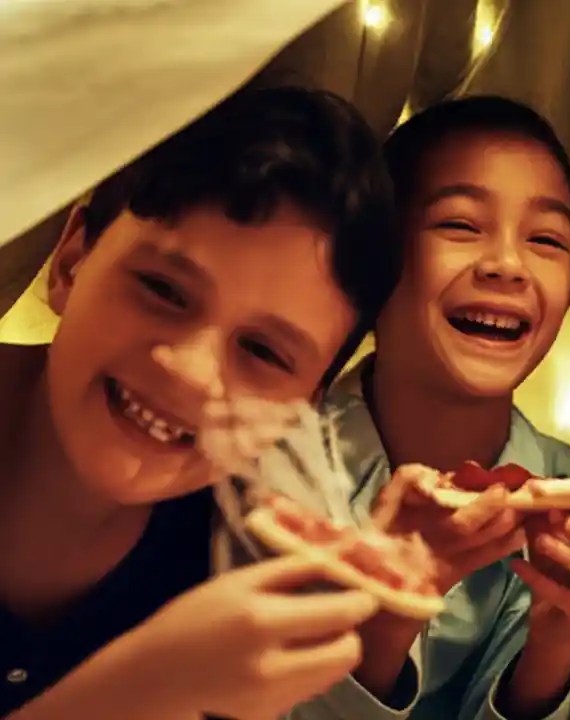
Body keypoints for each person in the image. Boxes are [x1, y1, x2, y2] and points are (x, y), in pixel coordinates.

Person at [0, 85, 401, 720]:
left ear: (302, 406)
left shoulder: (239, 555)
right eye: (162, 288)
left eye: (265, 353)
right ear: (72, 260)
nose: (189, 373)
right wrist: (143, 687)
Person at [293, 96, 570, 720]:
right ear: (377, 261)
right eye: (460, 226)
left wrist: (555, 643)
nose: (506, 265)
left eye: (546, 239)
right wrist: (389, 618)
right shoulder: (281, 468)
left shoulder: (569, 492)